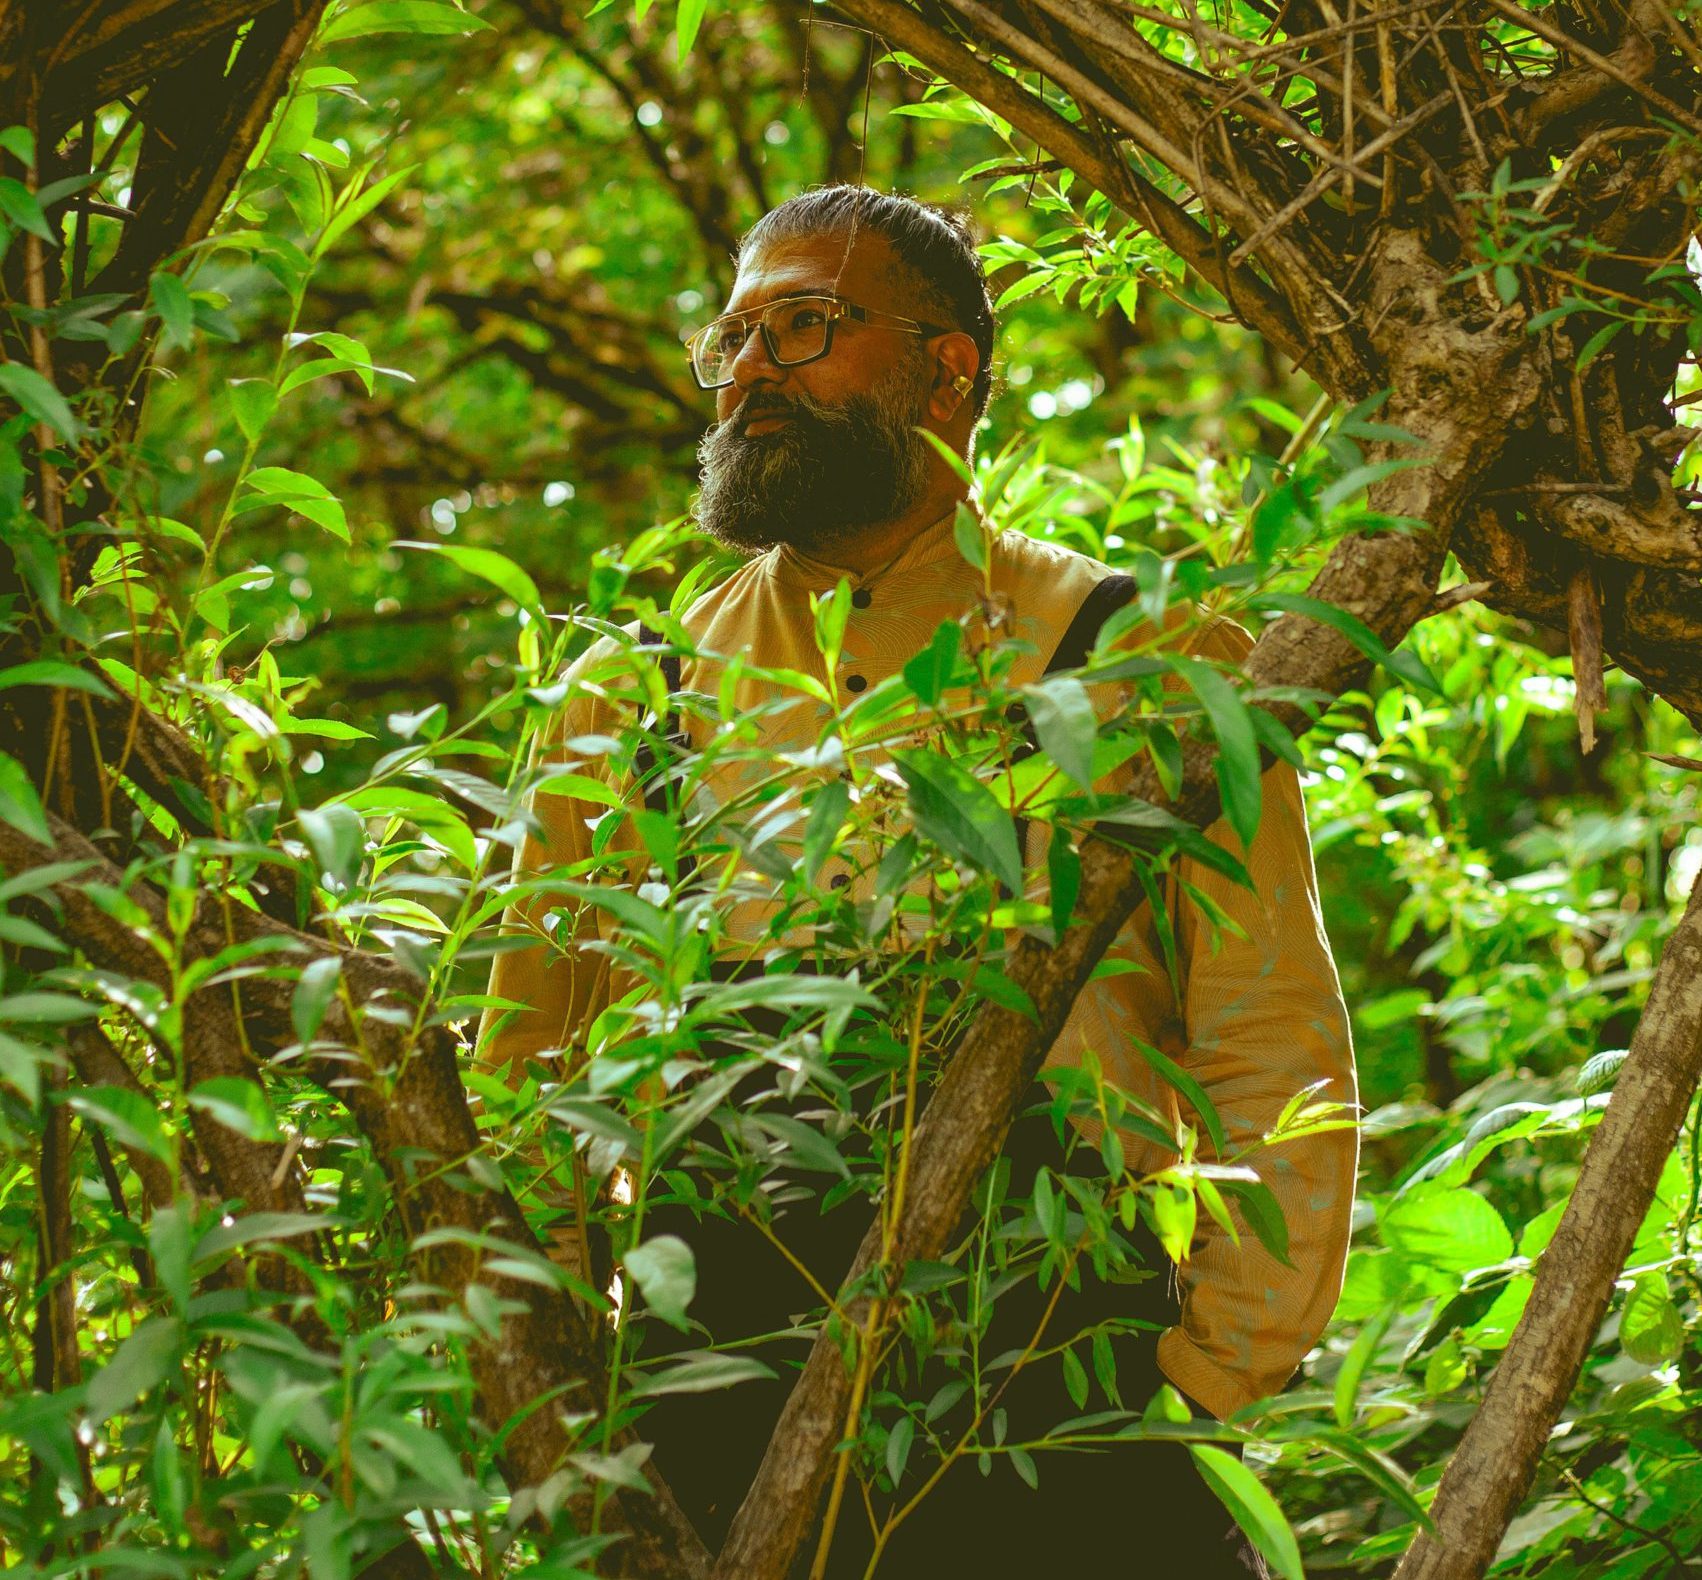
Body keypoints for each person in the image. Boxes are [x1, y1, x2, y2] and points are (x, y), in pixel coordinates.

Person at [480, 186, 1355, 1577]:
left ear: (945, 369)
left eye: (804, 326)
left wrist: (1195, 1390)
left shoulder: (1143, 653)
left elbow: (1271, 1037)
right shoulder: (622, 699)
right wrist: (547, 1412)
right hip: (710, 1410)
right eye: (733, 339)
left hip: (1068, 1400)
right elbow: (533, 1075)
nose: (751, 372)